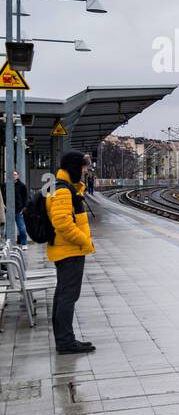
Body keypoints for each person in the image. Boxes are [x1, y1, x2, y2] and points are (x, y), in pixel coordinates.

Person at [47, 151, 96, 355]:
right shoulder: (63, 191)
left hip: (66, 250)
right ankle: (66, 342)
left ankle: (65, 339)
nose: (85, 172)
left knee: (63, 295)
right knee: (68, 296)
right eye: (83, 167)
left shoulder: (63, 187)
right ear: (75, 167)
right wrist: (84, 241)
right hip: (69, 251)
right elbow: (63, 224)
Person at [6, 170, 30, 248]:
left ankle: (24, 243)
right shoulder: (6, 185)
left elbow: (25, 198)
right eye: (13, 174)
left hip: (19, 211)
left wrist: (24, 209)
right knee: (7, 230)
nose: (14, 176)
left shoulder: (22, 186)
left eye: (15, 174)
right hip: (9, 211)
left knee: (22, 229)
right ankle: (7, 245)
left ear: (18, 176)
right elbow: (3, 196)